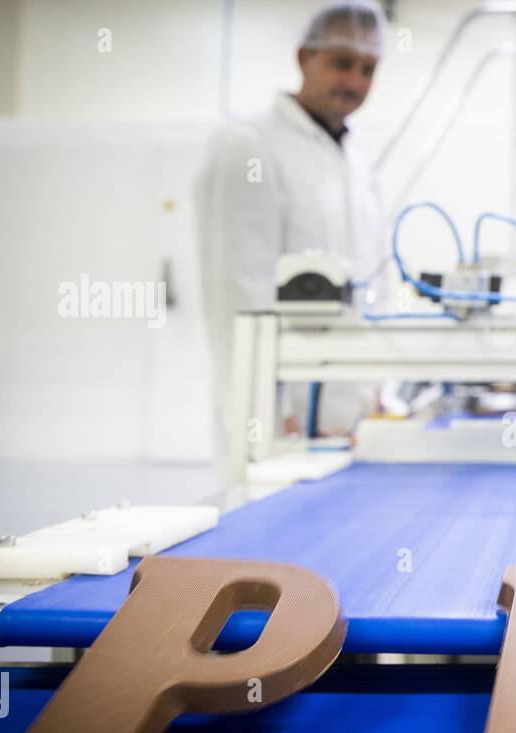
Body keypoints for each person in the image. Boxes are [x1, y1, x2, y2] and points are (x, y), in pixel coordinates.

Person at [194, 1, 389, 482]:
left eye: (368, 68)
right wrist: (262, 413)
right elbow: (237, 300)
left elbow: (373, 283)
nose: (355, 81)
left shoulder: (357, 162)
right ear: (305, 57)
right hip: (282, 420)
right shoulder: (249, 147)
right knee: (270, 549)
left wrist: (379, 388)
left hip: (351, 419)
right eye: (342, 63)